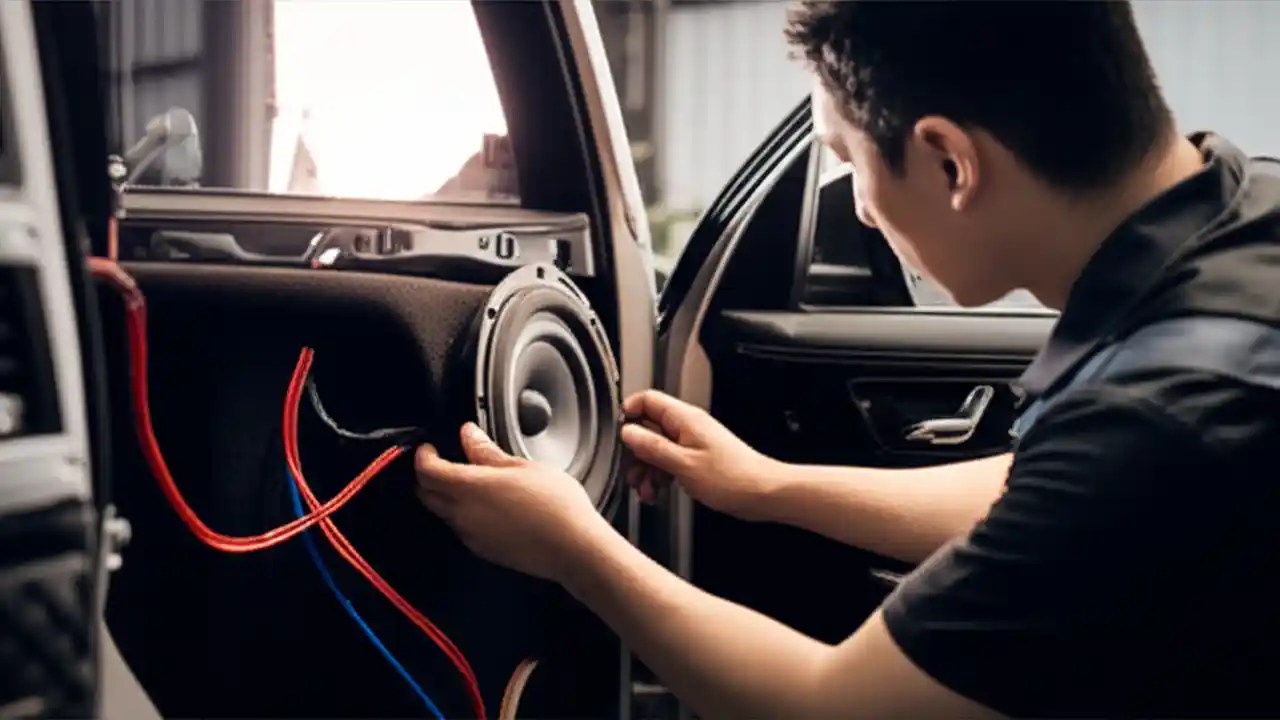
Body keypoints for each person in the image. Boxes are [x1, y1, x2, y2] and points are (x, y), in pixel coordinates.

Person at [415, 2, 1280, 717]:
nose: (862, 213)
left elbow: (830, 707)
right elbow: (1051, 493)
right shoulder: (1245, 212)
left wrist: (574, 550)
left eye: (850, 161)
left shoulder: (1158, 422)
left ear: (950, 162)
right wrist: (768, 486)